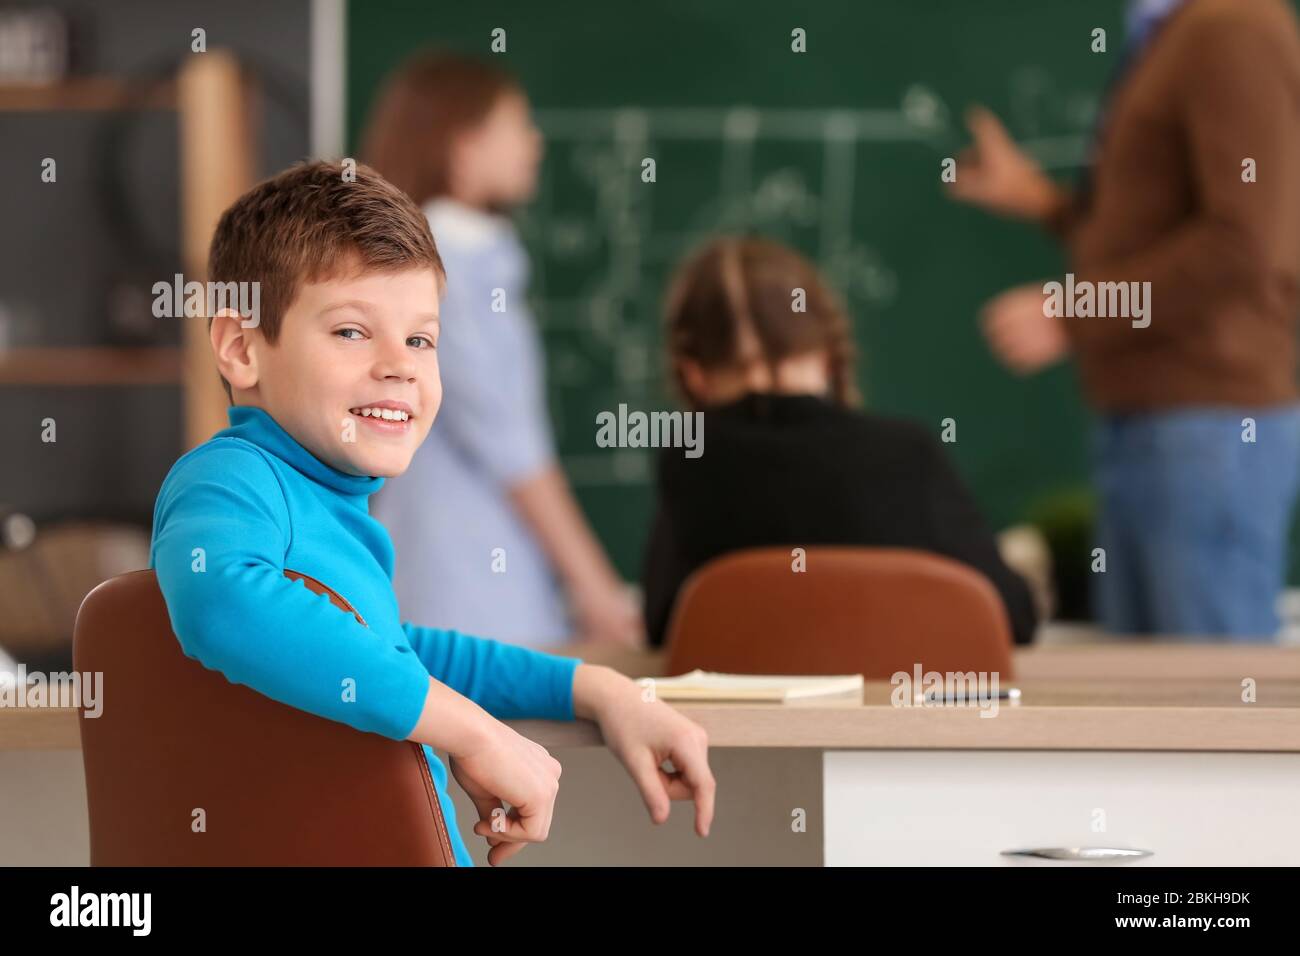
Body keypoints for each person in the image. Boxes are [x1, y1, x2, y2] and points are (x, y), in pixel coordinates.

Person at [150, 161, 713, 867]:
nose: (401, 366)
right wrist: (474, 734)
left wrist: (596, 688)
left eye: (421, 339)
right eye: (353, 332)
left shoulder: (326, 506)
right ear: (241, 347)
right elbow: (218, 600)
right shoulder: (235, 478)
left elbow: (399, 656)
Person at [949, 0, 1300, 640]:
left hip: (1208, 427)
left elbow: (1249, 245)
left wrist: (1074, 309)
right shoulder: (1174, 32)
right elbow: (1161, 231)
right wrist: (1042, 200)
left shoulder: (1234, 27)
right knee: (1148, 711)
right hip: (1156, 425)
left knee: (1211, 716)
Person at [362, 52, 640, 648]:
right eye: (517, 126)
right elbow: (514, 447)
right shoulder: (450, 268)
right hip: (464, 589)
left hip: (451, 575)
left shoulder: (445, 260)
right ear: (463, 148)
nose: (534, 144)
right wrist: (596, 587)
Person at [641, 236, 1038, 647]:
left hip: (733, 714)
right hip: (899, 707)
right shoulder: (908, 454)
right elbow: (1012, 616)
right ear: (830, 353)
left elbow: (662, 625)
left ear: (692, 374)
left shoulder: (689, 460)